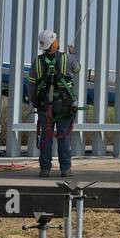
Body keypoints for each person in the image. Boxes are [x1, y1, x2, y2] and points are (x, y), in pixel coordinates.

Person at [28, 30, 77, 178]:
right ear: (53, 43)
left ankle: (45, 169)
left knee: (46, 136)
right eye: (55, 39)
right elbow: (77, 68)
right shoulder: (66, 59)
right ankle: (65, 169)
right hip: (64, 105)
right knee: (63, 136)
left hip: (44, 105)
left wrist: (33, 101)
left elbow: (31, 84)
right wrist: (72, 54)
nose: (57, 41)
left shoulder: (37, 62)